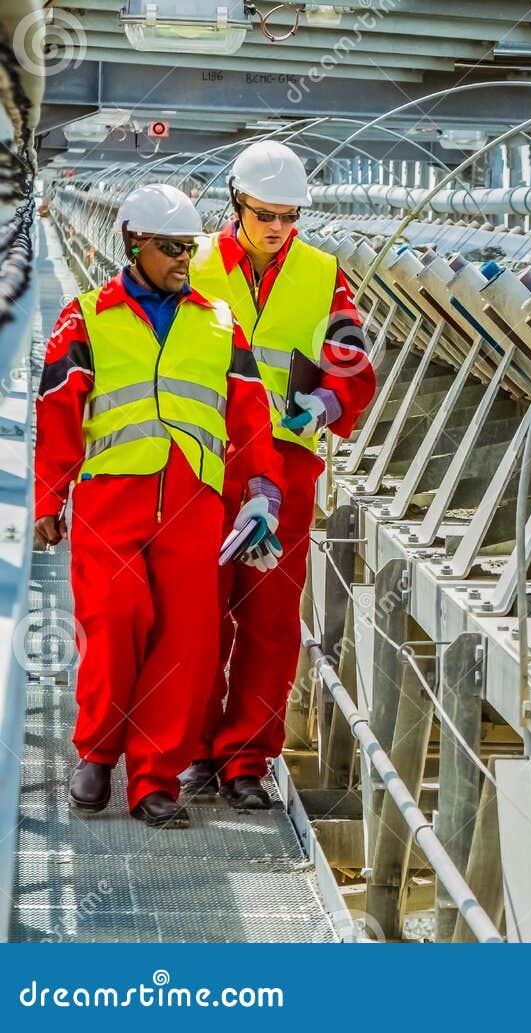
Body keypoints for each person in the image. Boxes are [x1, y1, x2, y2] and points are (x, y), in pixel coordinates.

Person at [34, 184, 284, 828]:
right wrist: (48, 496)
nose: (183, 260)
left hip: (194, 504)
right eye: (171, 248)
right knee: (115, 622)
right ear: (133, 245)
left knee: (188, 642)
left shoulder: (219, 323)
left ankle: (154, 780)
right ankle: (96, 753)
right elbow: (59, 411)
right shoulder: (86, 316)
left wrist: (262, 494)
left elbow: (251, 420)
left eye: (190, 248)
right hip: (110, 500)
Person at [182, 140, 375, 809]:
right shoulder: (195, 263)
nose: (277, 227)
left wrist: (327, 398)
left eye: (289, 216)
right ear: (236, 203)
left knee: (268, 621)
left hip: (285, 471)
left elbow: (350, 351)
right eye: (265, 213)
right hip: (207, 466)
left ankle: (244, 760)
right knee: (199, 614)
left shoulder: (322, 273)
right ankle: (194, 751)